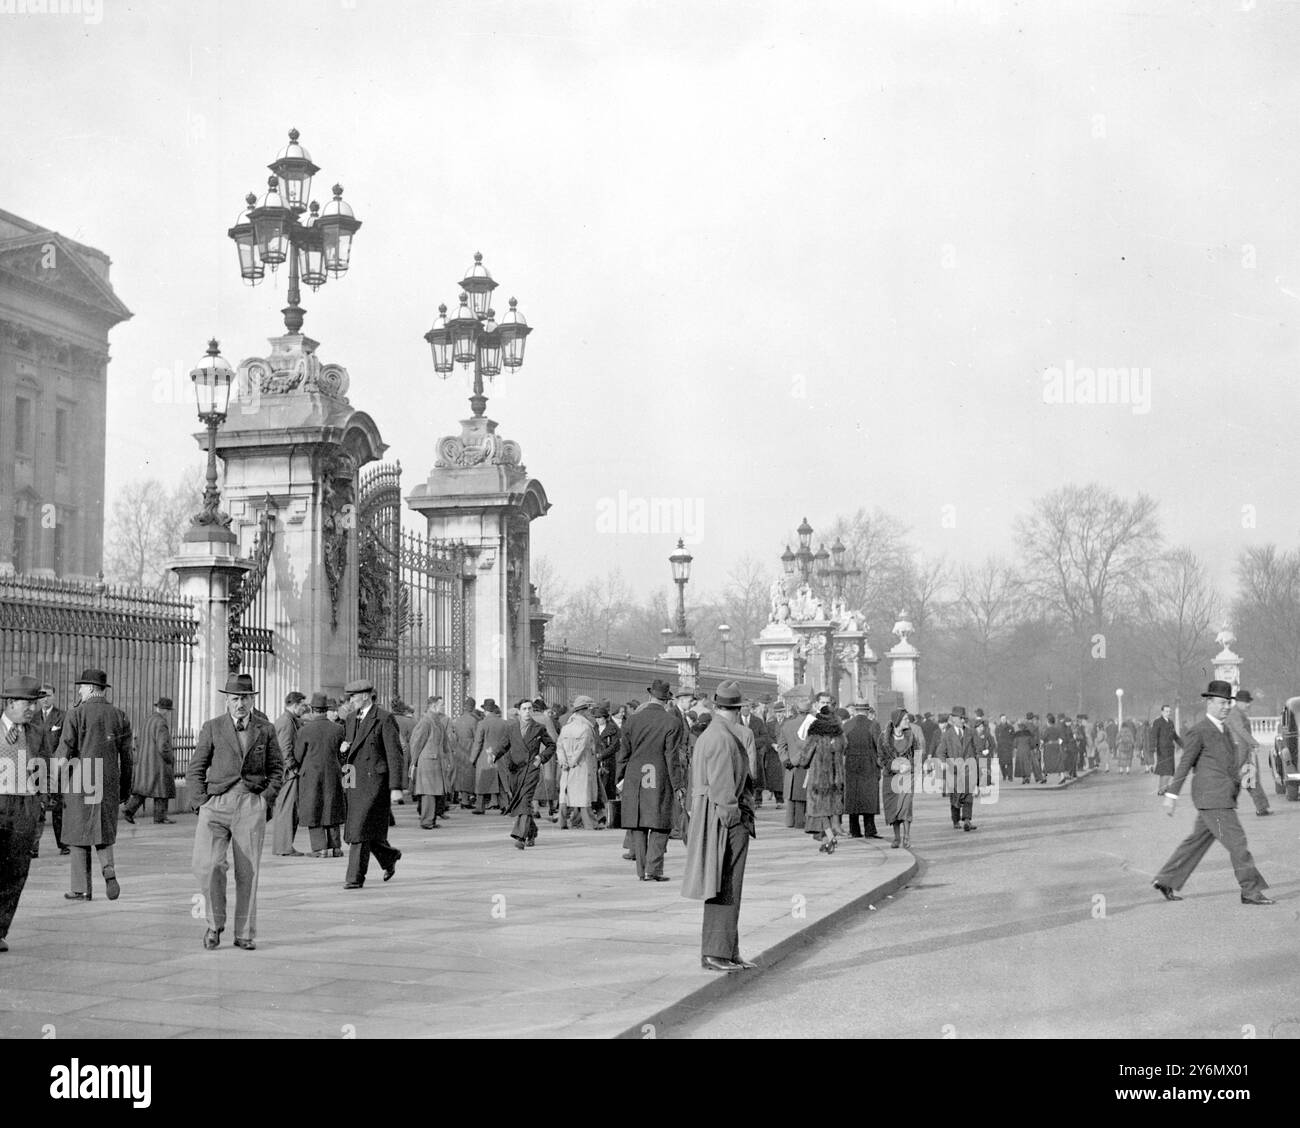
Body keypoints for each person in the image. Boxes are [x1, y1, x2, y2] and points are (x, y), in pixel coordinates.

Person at [1152, 680, 1272, 906]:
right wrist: (1171, 796)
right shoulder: (1199, 731)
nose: (1226, 707)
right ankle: (1251, 890)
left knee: (1196, 841)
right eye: (1221, 703)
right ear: (1209, 702)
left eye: (1228, 703)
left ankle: (1166, 879)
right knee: (1238, 843)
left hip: (1221, 796)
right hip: (1213, 798)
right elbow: (1185, 763)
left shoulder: (1224, 728)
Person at [189, 672, 284, 949]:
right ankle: (213, 924)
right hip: (215, 805)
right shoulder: (213, 727)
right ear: (227, 701)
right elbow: (196, 767)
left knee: (248, 872)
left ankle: (244, 933)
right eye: (234, 699)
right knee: (207, 866)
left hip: (250, 803)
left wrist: (265, 799)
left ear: (252, 700)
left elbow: (278, 769)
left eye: (244, 698)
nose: (240, 704)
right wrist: (200, 802)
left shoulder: (265, 729)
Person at [682, 681, 757, 973]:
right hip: (724, 819)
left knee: (726, 885)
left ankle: (727, 951)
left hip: (714, 815)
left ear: (717, 707)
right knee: (724, 885)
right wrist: (734, 818)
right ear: (738, 709)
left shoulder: (713, 734)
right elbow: (724, 787)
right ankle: (716, 952)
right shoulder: (722, 738)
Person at [58, 668, 132, 903]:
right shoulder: (119, 715)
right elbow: (128, 757)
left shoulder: (75, 713)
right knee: (103, 831)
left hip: (80, 781)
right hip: (108, 781)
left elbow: (64, 751)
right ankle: (108, 869)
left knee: (78, 833)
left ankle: (81, 889)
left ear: (90, 689)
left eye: (81, 686)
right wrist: (124, 789)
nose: (79, 690)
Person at [617, 679, 686, 881]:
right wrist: (678, 785)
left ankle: (641, 870)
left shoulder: (632, 720)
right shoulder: (671, 722)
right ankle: (653, 869)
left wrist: (619, 777)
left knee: (638, 824)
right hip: (659, 776)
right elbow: (672, 757)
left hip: (635, 776)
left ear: (650, 696)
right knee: (660, 823)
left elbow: (624, 753)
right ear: (666, 700)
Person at [0, 675, 50, 951]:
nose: (32, 708)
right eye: (26, 703)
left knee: (17, 870)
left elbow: (46, 766)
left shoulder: (36, 732)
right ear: (9, 703)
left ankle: (0, 930)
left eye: (34, 702)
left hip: (25, 807)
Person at [339, 679, 404, 889]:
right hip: (354, 781)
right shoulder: (350, 719)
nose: (350, 701)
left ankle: (354, 878)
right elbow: (350, 754)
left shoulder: (384, 718)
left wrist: (395, 788)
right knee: (364, 828)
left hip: (375, 782)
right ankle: (389, 856)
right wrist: (343, 750)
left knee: (359, 828)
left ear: (366, 695)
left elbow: (395, 755)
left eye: (353, 697)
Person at [501, 699, 557, 848]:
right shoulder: (511, 727)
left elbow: (552, 745)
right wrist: (494, 755)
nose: (527, 711)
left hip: (531, 769)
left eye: (529, 709)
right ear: (518, 711)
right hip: (516, 770)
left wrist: (541, 757)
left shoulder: (539, 727)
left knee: (525, 801)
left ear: (533, 711)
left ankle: (520, 837)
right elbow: (504, 745)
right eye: (524, 709)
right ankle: (532, 831)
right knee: (520, 801)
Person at [295, 692, 346, 857]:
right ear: (327, 709)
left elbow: (297, 755)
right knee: (332, 807)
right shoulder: (338, 729)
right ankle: (336, 847)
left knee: (314, 809)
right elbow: (342, 753)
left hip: (311, 775)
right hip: (333, 773)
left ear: (312, 709)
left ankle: (319, 848)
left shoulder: (305, 730)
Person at [123, 697, 176, 825]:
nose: (168, 713)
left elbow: (138, 741)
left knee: (143, 790)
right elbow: (163, 745)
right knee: (162, 790)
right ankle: (160, 817)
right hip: (158, 763)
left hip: (145, 761)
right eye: (168, 711)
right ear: (165, 710)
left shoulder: (148, 720)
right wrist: (170, 758)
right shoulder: (161, 723)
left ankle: (129, 810)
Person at [801, 700, 845, 854]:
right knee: (830, 809)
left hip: (819, 777)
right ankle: (826, 840)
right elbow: (844, 748)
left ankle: (830, 837)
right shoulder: (839, 733)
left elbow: (805, 755)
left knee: (820, 810)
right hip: (836, 777)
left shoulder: (815, 731)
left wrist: (803, 763)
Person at [31, 683, 67, 857]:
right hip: (37, 769)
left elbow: (65, 743)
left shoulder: (62, 716)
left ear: (54, 697)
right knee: (38, 808)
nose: (45, 699)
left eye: (48, 695)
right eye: (42, 696)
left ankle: (63, 844)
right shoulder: (33, 718)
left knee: (58, 808)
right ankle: (34, 846)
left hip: (56, 769)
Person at [271, 692, 308, 857]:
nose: (304, 708)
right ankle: (284, 847)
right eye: (302, 705)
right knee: (288, 810)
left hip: (285, 772)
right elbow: (285, 748)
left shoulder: (287, 719)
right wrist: (293, 768)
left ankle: (283, 846)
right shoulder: (287, 722)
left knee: (285, 810)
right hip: (288, 774)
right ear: (295, 704)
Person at [1226, 690, 1271, 817]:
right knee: (1241, 781)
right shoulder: (1235, 714)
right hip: (1239, 754)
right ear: (1239, 702)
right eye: (1246, 702)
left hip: (1244, 753)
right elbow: (1240, 730)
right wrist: (1254, 743)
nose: (1248, 705)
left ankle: (1261, 808)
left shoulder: (1239, 713)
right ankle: (1225, 807)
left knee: (1250, 780)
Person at [410, 695, 452, 830]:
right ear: (433, 706)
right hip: (428, 762)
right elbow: (416, 743)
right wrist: (414, 762)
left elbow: (444, 743)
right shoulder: (426, 721)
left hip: (435, 761)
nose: (443, 707)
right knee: (428, 792)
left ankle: (431, 819)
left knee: (434, 792)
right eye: (441, 704)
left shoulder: (436, 721)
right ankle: (427, 821)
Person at [879, 708, 919, 849]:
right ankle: (896, 837)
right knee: (893, 807)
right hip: (890, 778)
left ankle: (907, 836)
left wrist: (911, 766)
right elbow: (881, 759)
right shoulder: (884, 738)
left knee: (906, 807)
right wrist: (894, 766)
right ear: (897, 721)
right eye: (905, 719)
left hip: (907, 777)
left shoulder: (911, 737)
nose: (908, 721)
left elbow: (917, 754)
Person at [557, 696, 599, 831]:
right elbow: (583, 748)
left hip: (566, 766)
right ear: (584, 710)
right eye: (590, 709)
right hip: (581, 764)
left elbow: (559, 746)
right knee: (583, 794)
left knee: (566, 793)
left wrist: (564, 761)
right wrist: (573, 761)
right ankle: (589, 823)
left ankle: (563, 821)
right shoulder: (586, 728)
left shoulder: (566, 727)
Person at [776, 684, 814, 829]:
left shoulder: (787, 725)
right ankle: (802, 822)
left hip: (790, 767)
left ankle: (790, 821)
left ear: (797, 710)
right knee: (803, 796)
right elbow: (810, 746)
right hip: (806, 766)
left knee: (791, 795)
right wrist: (797, 760)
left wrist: (786, 760)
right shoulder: (814, 725)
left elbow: (781, 746)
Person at [843, 702, 882, 839]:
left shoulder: (846, 725)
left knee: (853, 796)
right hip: (869, 764)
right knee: (868, 796)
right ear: (867, 710)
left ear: (855, 710)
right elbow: (880, 745)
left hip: (851, 764)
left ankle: (854, 830)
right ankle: (869, 829)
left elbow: (843, 746)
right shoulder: (873, 725)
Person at [937, 705, 978, 832]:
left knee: (968, 795)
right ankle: (955, 820)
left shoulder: (970, 732)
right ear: (953, 719)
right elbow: (940, 752)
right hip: (953, 770)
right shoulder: (947, 735)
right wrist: (943, 763)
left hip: (968, 769)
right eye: (961, 718)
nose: (963, 721)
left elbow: (977, 749)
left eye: (964, 718)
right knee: (955, 797)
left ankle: (967, 820)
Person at [470, 699, 506, 814]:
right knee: (501, 782)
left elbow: (478, 743)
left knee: (482, 782)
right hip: (500, 756)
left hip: (485, 756)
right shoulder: (503, 723)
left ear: (485, 710)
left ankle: (480, 807)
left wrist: (473, 759)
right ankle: (505, 805)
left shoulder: (482, 723)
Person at [451, 697, 480, 807]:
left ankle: (463, 798)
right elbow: (477, 736)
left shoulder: (458, 720)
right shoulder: (474, 720)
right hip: (470, 747)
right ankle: (466, 800)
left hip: (459, 747)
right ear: (472, 707)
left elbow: (454, 736)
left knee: (461, 774)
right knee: (470, 774)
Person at [1149, 704, 1182, 795]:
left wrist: (1184, 745)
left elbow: (1175, 736)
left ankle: (1163, 788)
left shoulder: (1171, 722)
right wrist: (1152, 748)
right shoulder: (1157, 722)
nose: (1168, 713)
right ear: (1162, 712)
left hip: (1170, 749)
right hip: (1162, 750)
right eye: (1166, 711)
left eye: (1169, 711)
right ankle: (1162, 789)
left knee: (1166, 770)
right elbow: (1153, 735)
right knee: (1165, 770)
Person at [994, 713, 1014, 783]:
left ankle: (1010, 776)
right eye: (1002, 719)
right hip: (1001, 748)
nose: (1004, 720)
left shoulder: (1010, 727)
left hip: (1008, 747)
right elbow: (997, 737)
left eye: (1005, 719)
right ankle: (1004, 775)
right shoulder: (998, 728)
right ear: (1000, 719)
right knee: (1001, 763)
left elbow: (1013, 737)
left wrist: (1010, 744)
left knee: (1009, 763)